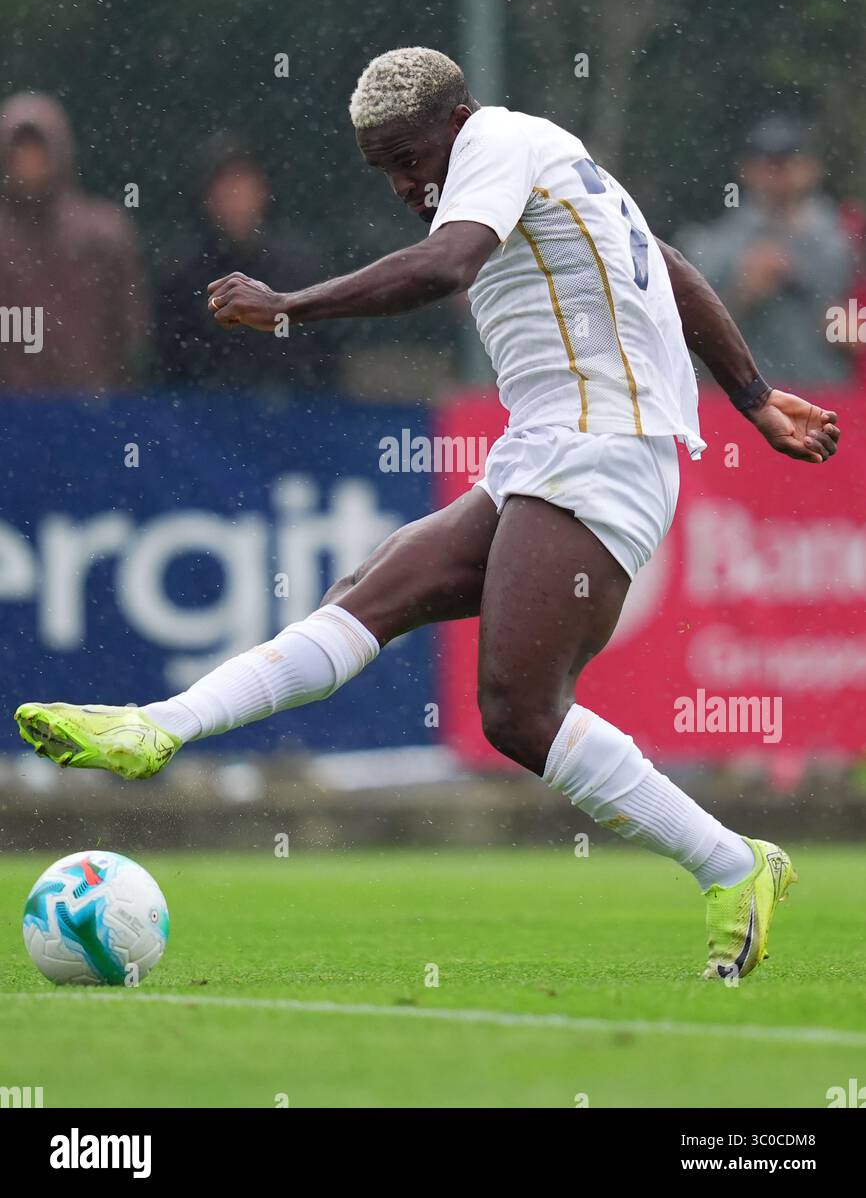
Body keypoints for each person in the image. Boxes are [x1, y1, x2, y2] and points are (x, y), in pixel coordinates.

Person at [16, 49, 841, 983]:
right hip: (549, 446)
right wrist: (758, 396)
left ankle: (735, 864)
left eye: (412, 159)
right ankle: (155, 728)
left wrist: (288, 308)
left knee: (518, 712)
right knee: (367, 593)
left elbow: (446, 267)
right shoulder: (548, 157)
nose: (408, 185)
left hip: (605, 446)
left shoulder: (494, 142)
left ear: (458, 120)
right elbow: (671, 267)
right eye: (386, 170)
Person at [676, 114, 853, 386]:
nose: (778, 173)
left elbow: (851, 331)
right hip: (742, 402)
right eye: (768, 163)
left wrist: (840, 322)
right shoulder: (713, 245)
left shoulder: (844, 242)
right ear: (745, 170)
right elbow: (685, 341)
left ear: (812, 167)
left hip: (829, 397)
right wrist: (744, 294)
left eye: (788, 161)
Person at [155, 132, 338, 392]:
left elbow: (322, 357)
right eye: (226, 188)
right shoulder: (180, 274)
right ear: (207, 198)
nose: (236, 198)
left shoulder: (300, 271)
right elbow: (171, 362)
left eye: (243, 186)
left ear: (262, 191)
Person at [0, 92, 148, 390]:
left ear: (59, 152)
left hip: (91, 407)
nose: (29, 162)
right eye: (20, 152)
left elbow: (132, 329)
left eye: (38, 151)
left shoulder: (104, 234)